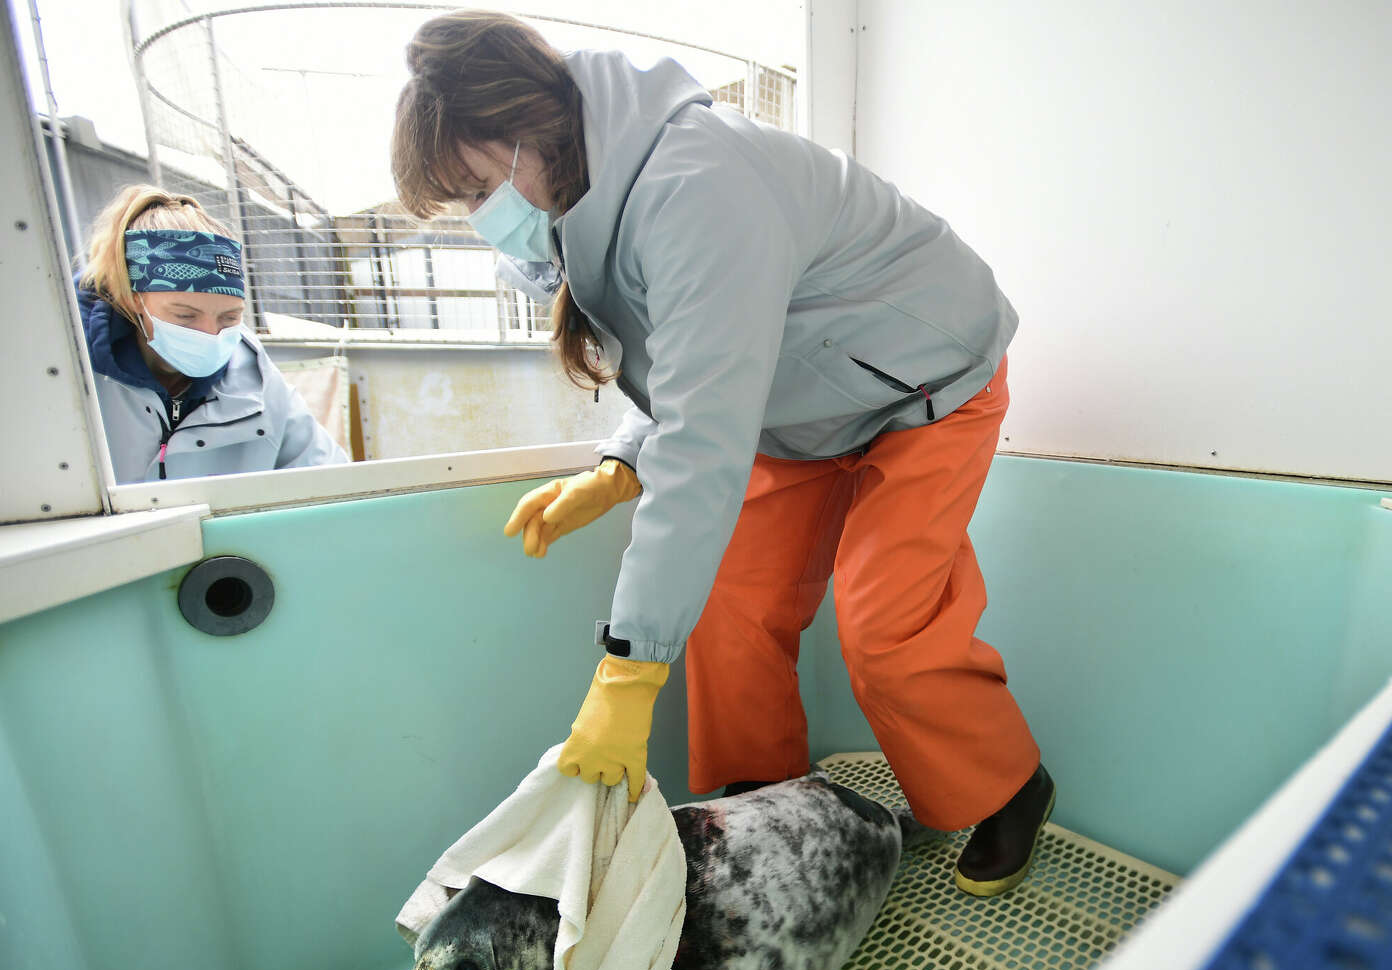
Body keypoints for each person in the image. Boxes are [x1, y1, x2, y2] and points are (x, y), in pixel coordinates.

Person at [392, 12, 1054, 897]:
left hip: (925, 389)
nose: (481, 219)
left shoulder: (699, 181)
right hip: (799, 409)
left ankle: (1009, 785)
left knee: (882, 622)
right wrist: (619, 465)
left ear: (529, 132)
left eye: (477, 188)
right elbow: (684, 363)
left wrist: (627, 672)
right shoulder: (586, 196)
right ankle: (769, 814)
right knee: (731, 606)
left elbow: (705, 430)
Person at [76, 185, 348, 482]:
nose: (210, 334)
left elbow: (328, 475)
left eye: (230, 317)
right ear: (131, 298)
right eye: (185, 315)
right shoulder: (73, 378)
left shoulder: (257, 379)